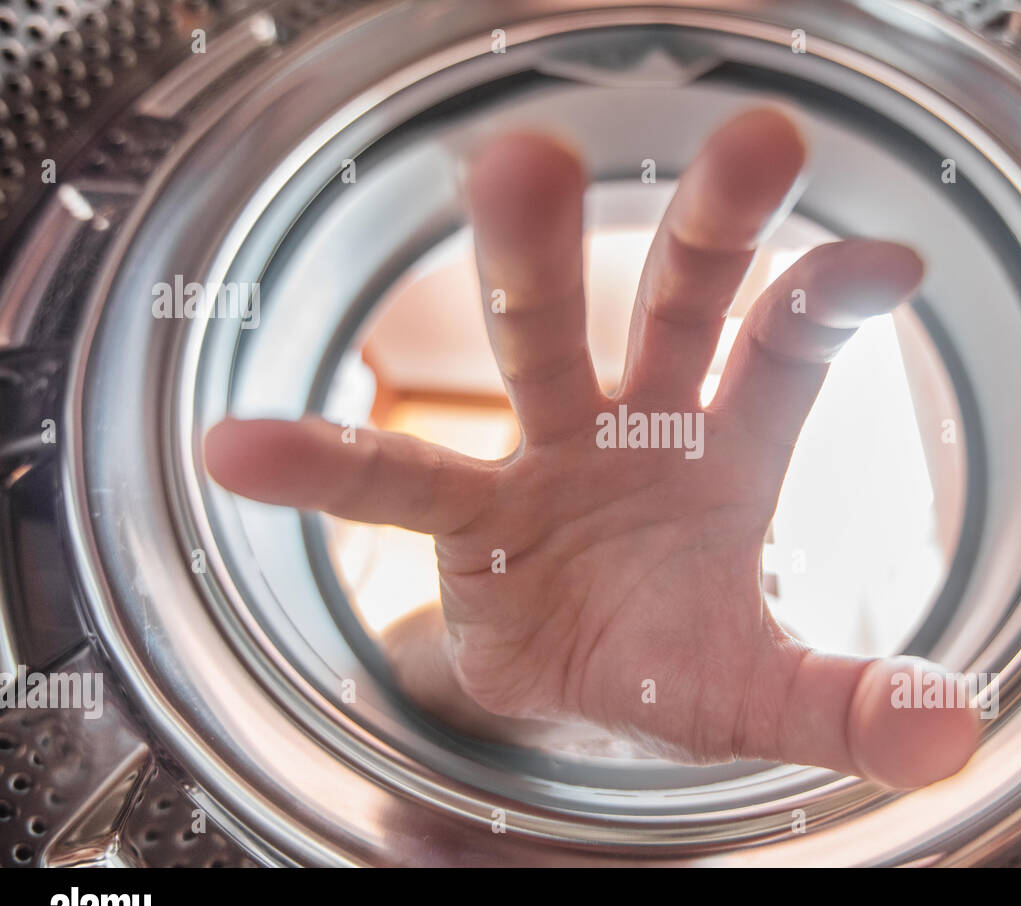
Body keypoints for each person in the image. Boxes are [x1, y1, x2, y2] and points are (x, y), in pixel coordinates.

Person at [204, 107, 981, 788]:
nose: (629, 499)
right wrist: (485, 681)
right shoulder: (572, 626)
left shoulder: (819, 646)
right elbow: (399, 685)